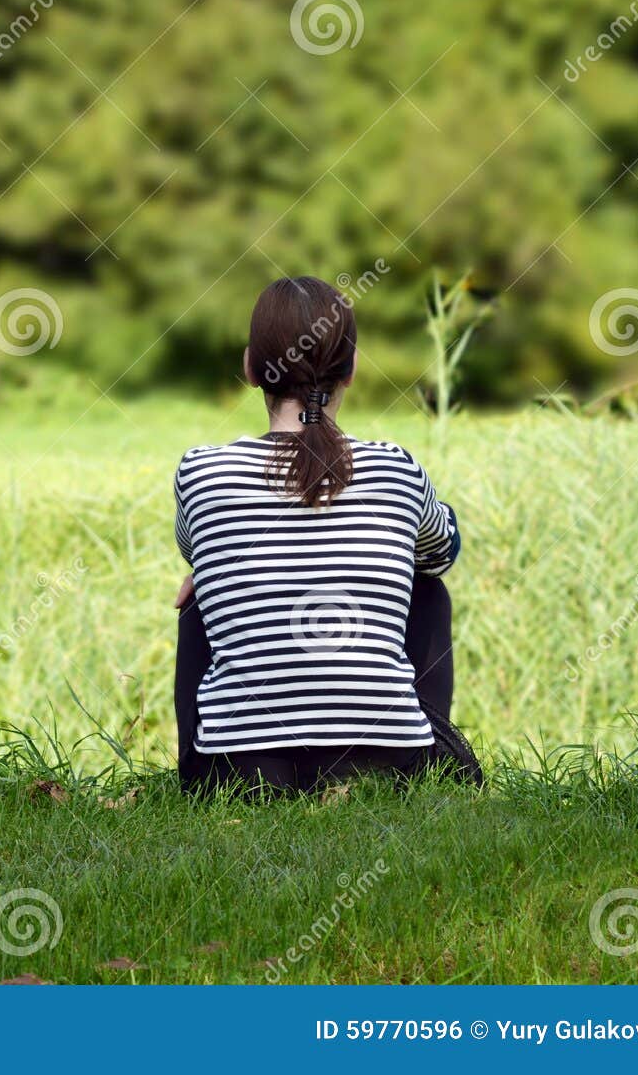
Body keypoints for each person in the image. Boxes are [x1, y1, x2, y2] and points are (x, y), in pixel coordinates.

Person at [171, 276, 479, 795]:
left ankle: (199, 771)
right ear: (352, 369)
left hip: (241, 774)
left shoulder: (201, 471)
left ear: (251, 368)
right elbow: (442, 550)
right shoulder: (395, 467)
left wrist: (210, 573)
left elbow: (198, 551)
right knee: (427, 585)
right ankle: (421, 747)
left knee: (201, 596)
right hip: (384, 764)